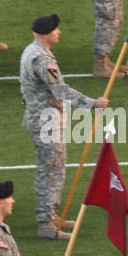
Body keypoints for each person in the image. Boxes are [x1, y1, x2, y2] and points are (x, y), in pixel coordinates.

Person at [19, 13, 107, 238]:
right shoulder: (41, 58)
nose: (59, 32)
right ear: (47, 34)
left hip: (43, 118)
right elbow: (60, 90)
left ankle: (51, 215)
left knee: (54, 168)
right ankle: (46, 223)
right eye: (56, 30)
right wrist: (92, 104)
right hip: (47, 121)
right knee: (50, 170)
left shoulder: (32, 51)